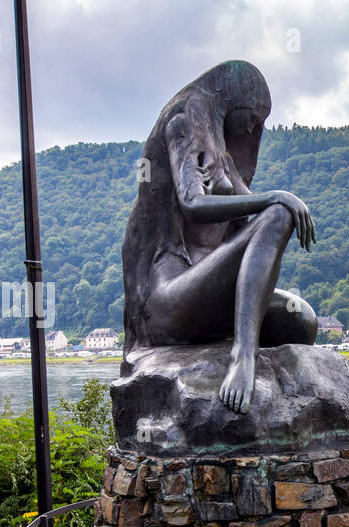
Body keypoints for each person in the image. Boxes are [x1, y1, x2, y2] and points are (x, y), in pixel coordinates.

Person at [122, 60, 316, 413]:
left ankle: (240, 343)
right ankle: (243, 356)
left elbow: (247, 222)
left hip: (203, 295)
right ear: (236, 99)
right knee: (278, 213)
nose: (255, 126)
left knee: (301, 321)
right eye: (255, 115)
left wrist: (266, 205)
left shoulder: (221, 155)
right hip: (170, 297)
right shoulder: (182, 124)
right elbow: (193, 203)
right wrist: (277, 197)